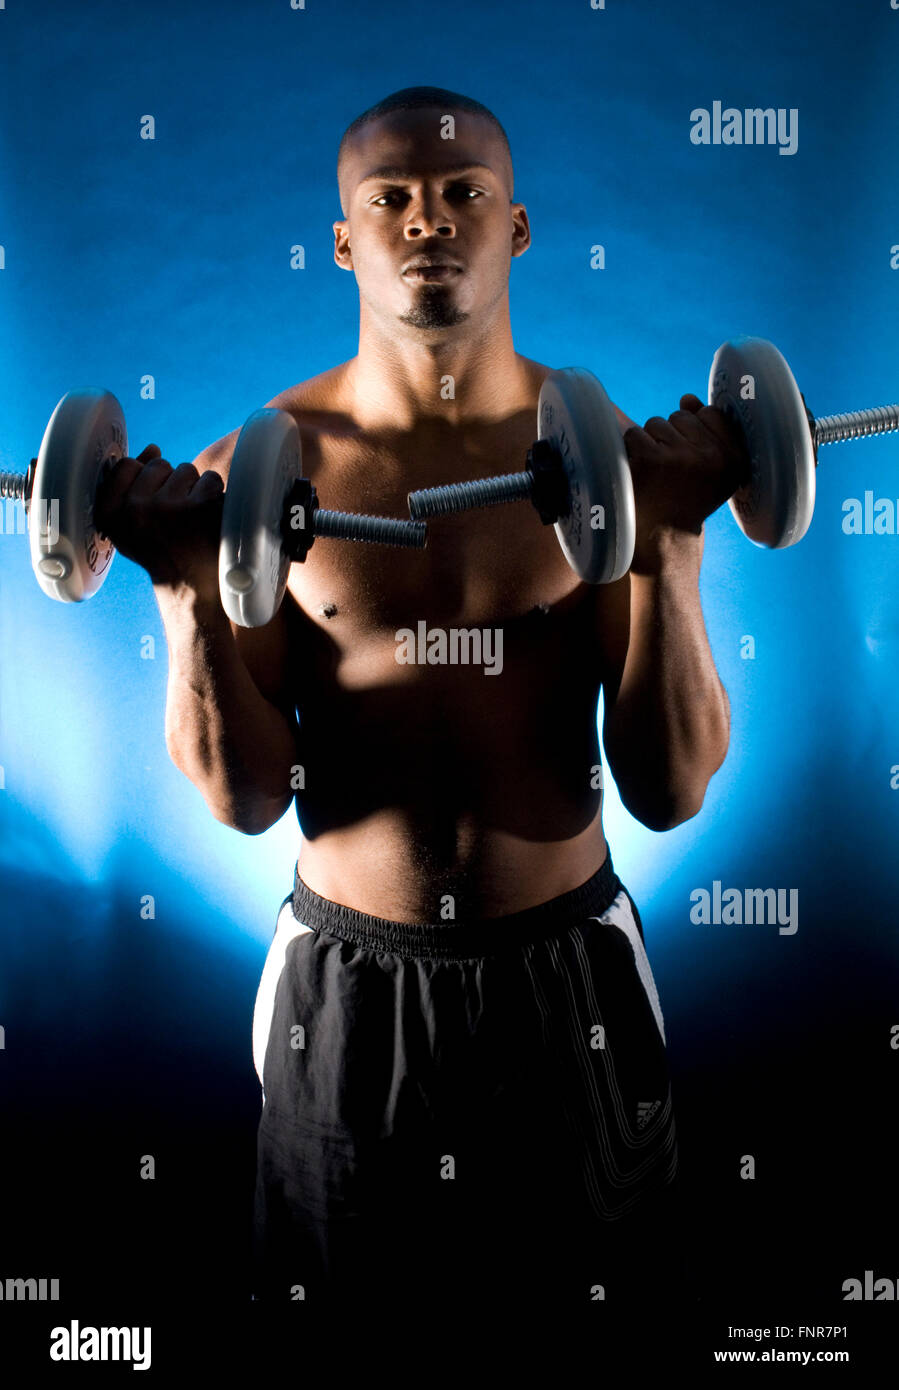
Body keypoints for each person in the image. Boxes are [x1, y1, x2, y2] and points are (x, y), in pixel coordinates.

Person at [94, 86, 748, 1313]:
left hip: (570, 979)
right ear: (343, 239)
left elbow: (666, 793)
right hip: (346, 989)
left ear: (516, 228)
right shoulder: (255, 473)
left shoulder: (609, 465)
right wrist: (186, 592)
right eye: (388, 200)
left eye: (463, 196)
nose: (427, 223)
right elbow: (241, 803)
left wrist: (670, 547)